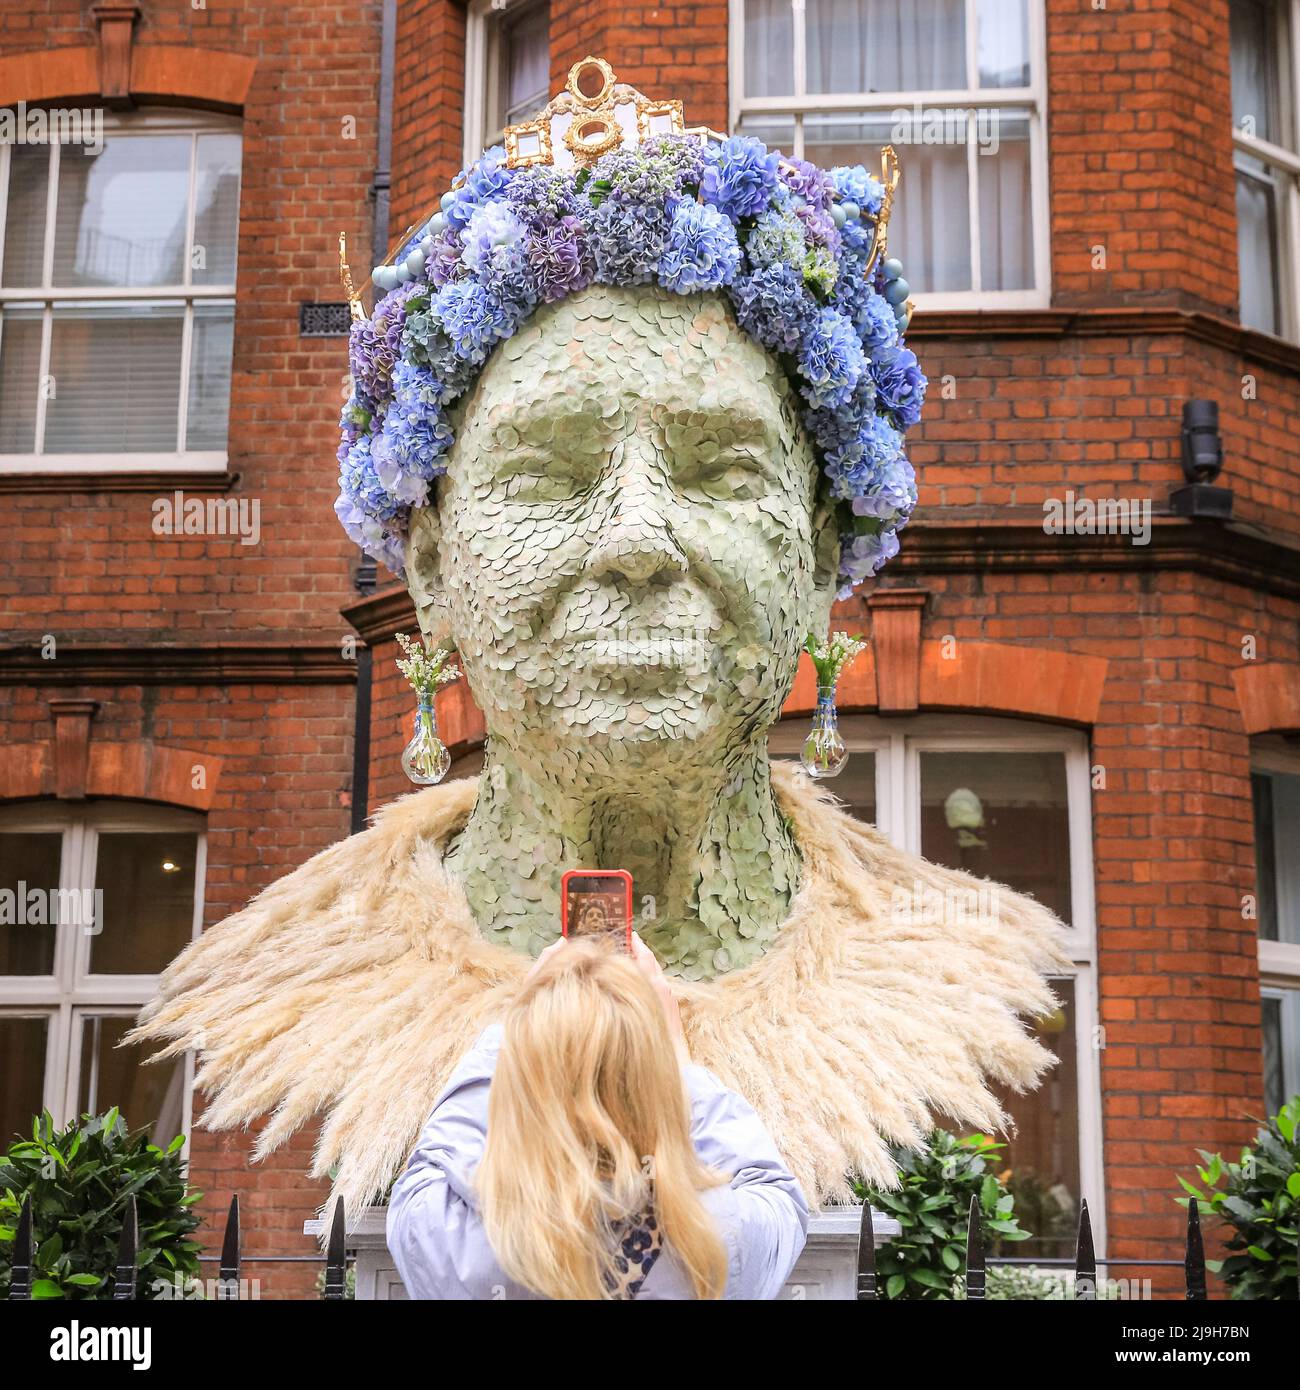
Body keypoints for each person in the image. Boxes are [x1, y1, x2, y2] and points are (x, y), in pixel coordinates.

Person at [386, 933, 810, 1300]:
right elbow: (775, 1191)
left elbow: (436, 1155)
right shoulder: (718, 1241)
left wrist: (519, 1024)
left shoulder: (443, 1235)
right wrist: (676, 1058)